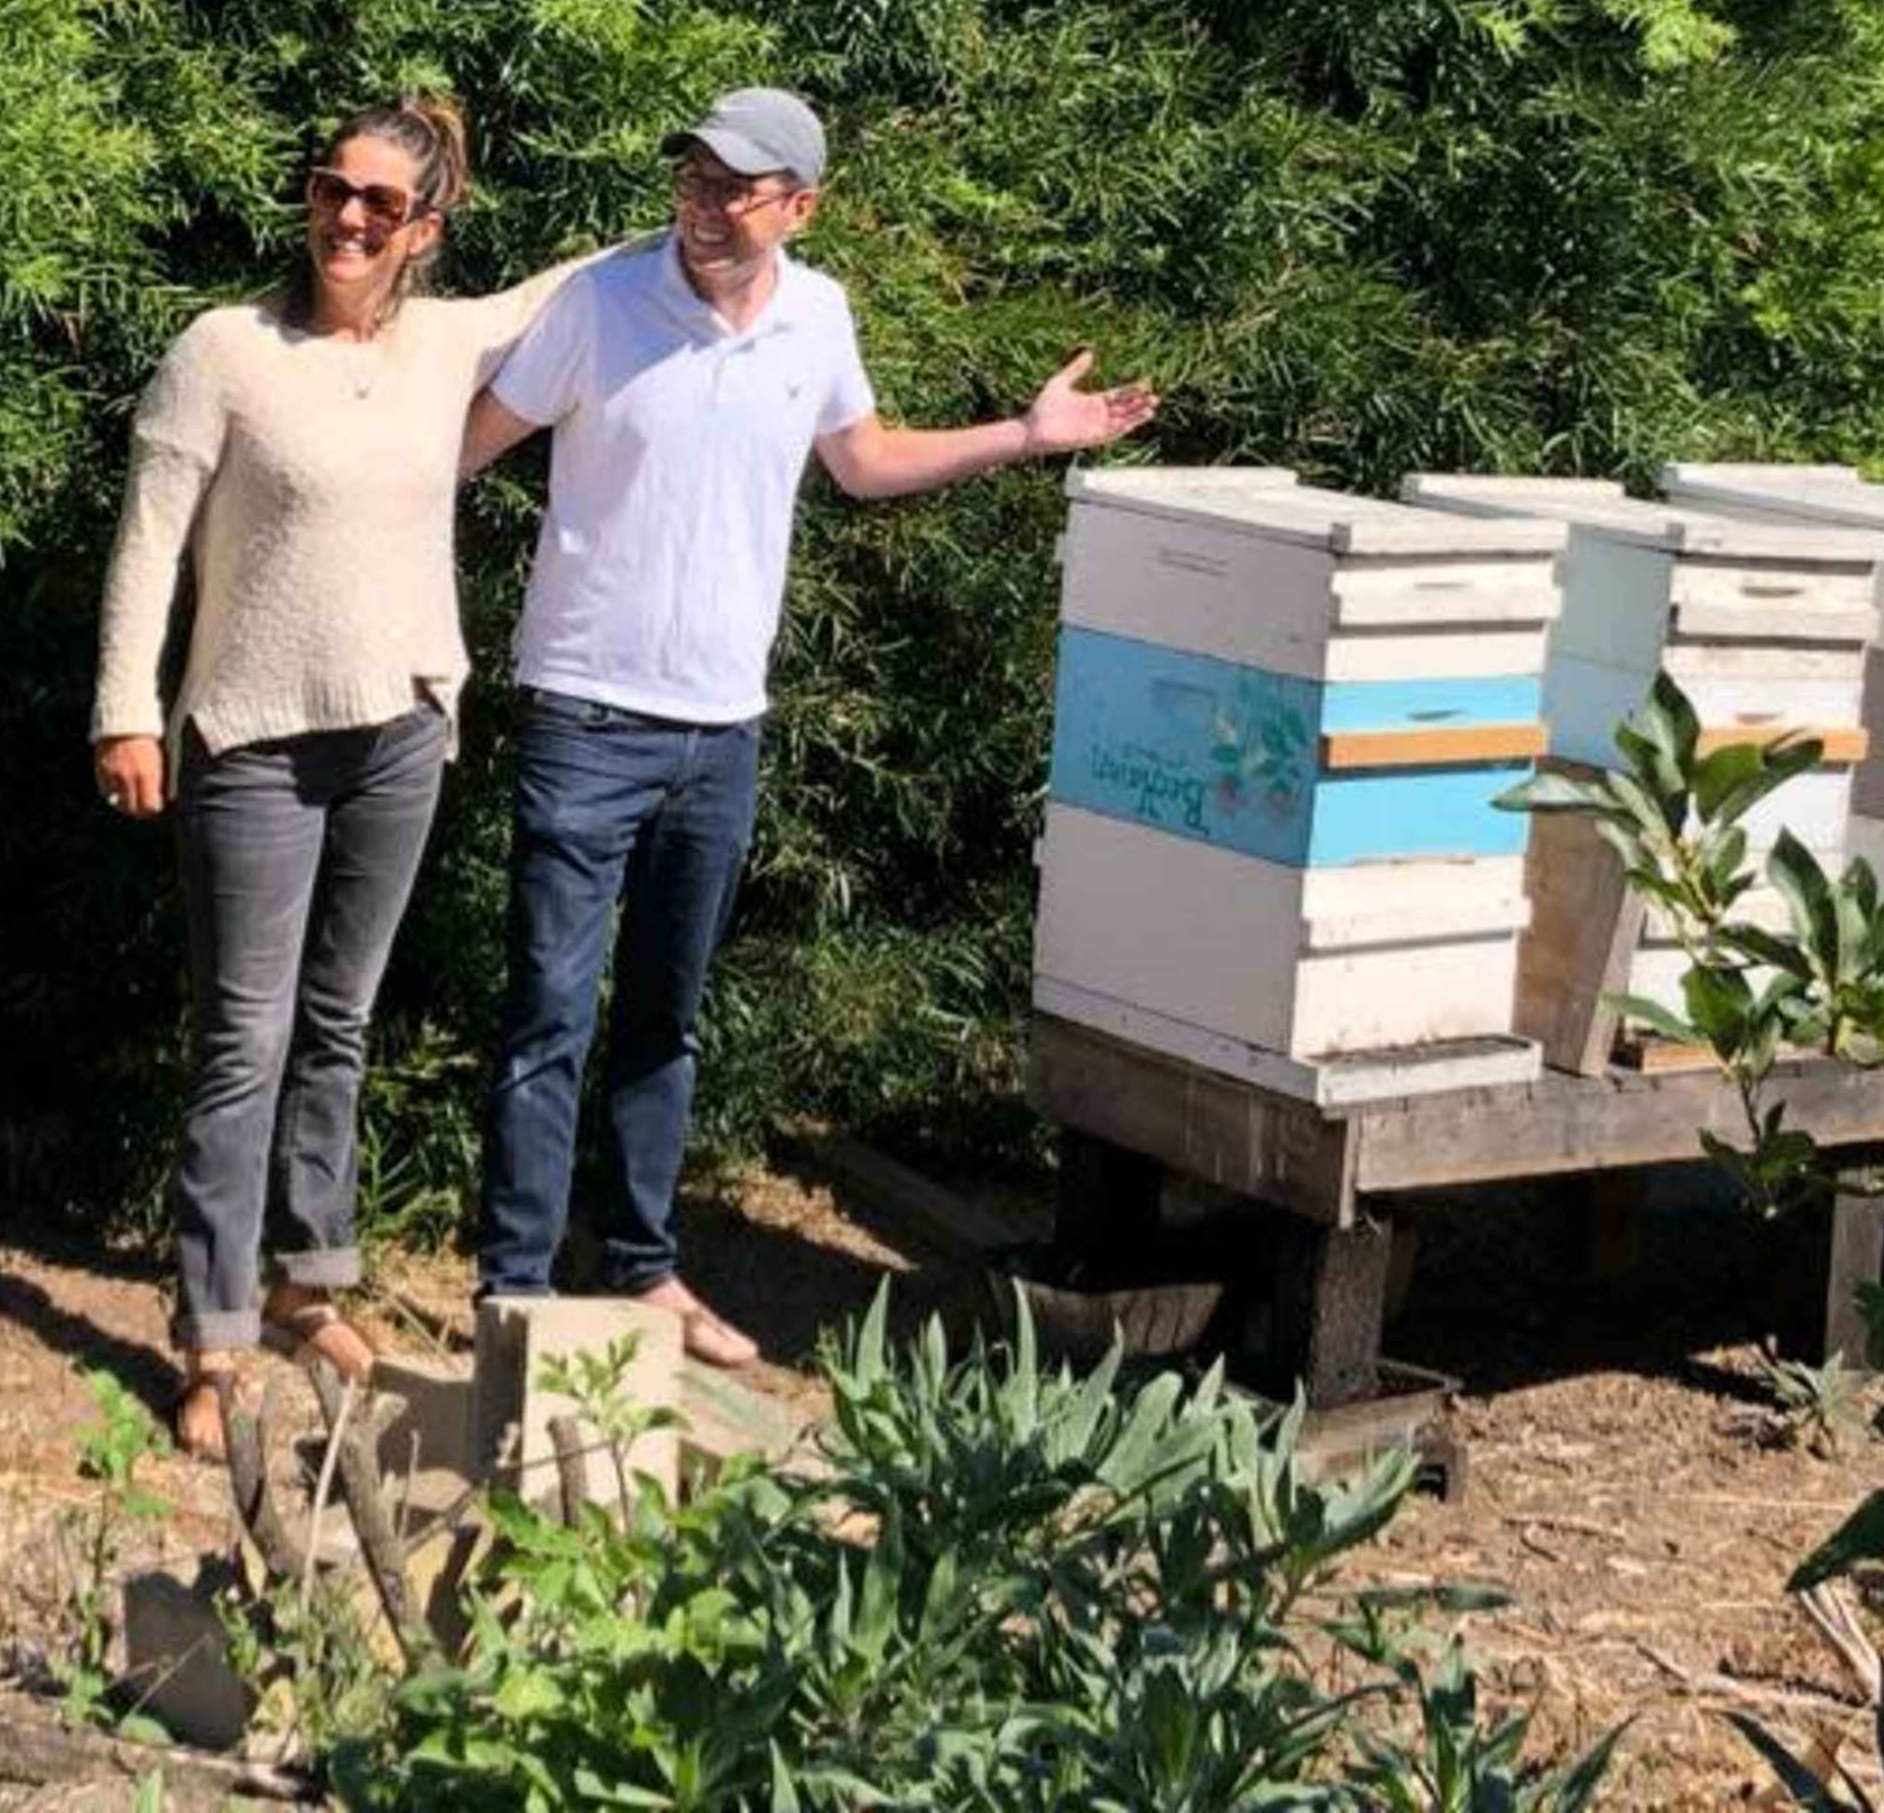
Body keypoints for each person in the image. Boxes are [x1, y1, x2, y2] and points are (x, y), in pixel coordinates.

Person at [460, 88, 1156, 1365]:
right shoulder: (598, 305)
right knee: (551, 1010)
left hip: (724, 730)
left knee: (665, 1015)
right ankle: (513, 1289)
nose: (709, 204)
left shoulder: (819, 315)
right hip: (584, 713)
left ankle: (643, 1270)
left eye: (739, 187)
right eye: (697, 176)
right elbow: (462, 448)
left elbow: (864, 462)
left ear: (800, 205)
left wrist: (1027, 433)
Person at [93, 96, 584, 1458]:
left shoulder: (446, 340)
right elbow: (149, 544)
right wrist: (124, 711)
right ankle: (215, 1331)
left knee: (340, 1025)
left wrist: (727, 224)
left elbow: (587, 282)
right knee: (242, 1040)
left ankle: (314, 1282)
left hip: (402, 729)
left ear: (426, 228)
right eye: (332, 190)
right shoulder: (224, 352)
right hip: (249, 736)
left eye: (380, 202)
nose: (348, 218)